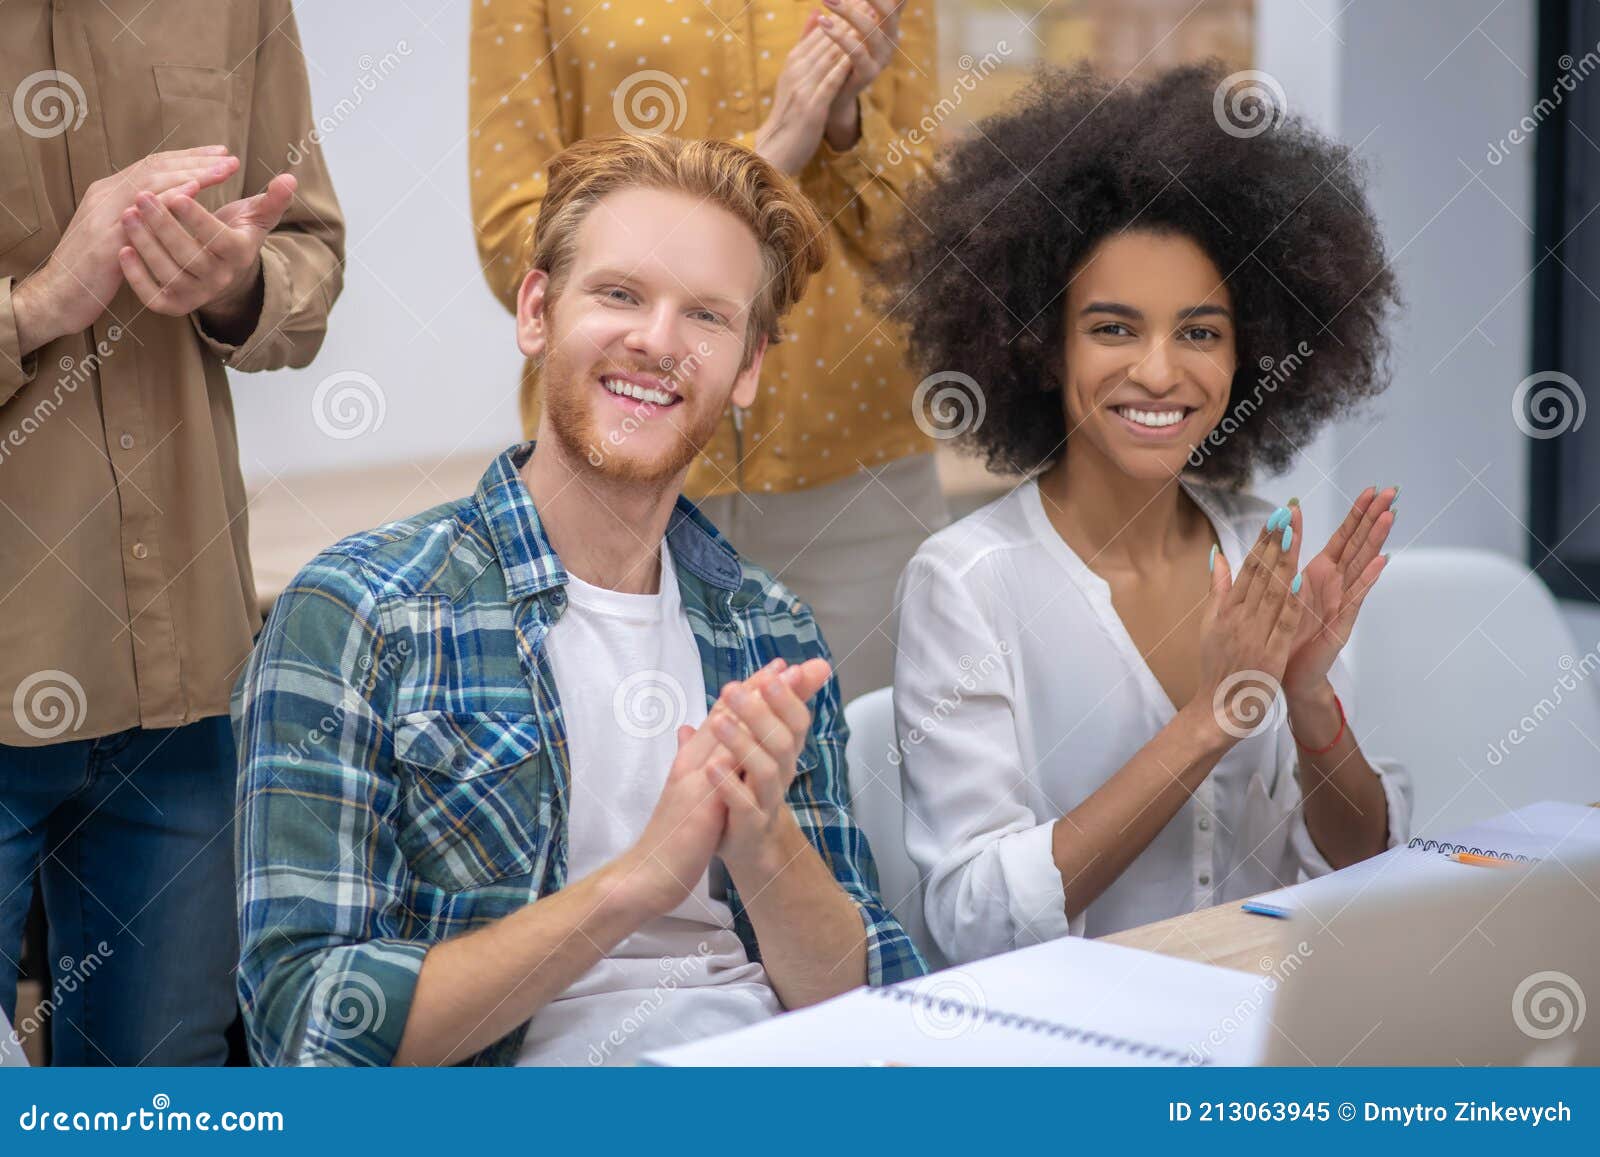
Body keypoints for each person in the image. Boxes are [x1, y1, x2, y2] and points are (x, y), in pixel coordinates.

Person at [233, 134, 924, 1068]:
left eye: (707, 317)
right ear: (536, 309)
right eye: (620, 294)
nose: (659, 341)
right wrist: (635, 883)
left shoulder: (770, 626)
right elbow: (308, 1027)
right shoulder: (358, 612)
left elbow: (872, 1000)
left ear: (749, 367)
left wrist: (765, 846)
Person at [885, 64, 1412, 963]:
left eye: (1200, 333)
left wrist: (1308, 697)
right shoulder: (966, 583)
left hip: (1270, 1032)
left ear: (1251, 356)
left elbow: (1362, 862)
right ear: (1041, 347)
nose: (1162, 373)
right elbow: (971, 920)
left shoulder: (1262, 548)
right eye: (1114, 328)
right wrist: (1211, 716)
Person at [0, 0, 344, 1064]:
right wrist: (40, 303)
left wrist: (241, 284)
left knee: (163, 1105)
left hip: (183, 690)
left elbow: (310, 251)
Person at [469, 0, 950, 702]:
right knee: (615, 785)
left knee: (854, 785)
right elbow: (517, 243)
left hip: (858, 474)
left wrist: (847, 125)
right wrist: (767, 160)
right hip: (614, 470)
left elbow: (927, 251)